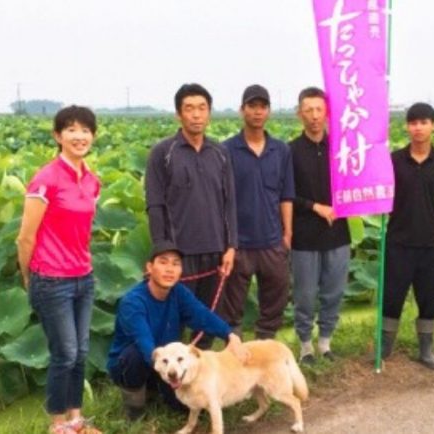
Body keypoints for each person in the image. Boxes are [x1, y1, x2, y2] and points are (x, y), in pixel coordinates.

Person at [16, 105, 103, 434]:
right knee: (64, 352)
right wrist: (30, 278)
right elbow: (25, 238)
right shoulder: (45, 179)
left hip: (84, 276)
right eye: (71, 130)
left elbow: (83, 231)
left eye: (85, 130)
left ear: (92, 136)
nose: (79, 136)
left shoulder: (92, 181)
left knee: (80, 352)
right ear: (58, 136)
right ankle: (57, 425)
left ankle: (76, 419)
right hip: (51, 279)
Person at [107, 241, 248, 420]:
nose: (170, 269)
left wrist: (229, 334)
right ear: (149, 267)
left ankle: (156, 390)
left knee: (192, 407)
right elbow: (144, 343)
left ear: (181, 271)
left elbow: (201, 315)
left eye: (176, 264)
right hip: (137, 361)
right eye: (163, 262)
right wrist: (166, 370)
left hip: (170, 363)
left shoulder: (178, 292)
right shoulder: (132, 302)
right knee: (134, 355)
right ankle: (135, 410)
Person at [144, 83, 238, 349]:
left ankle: (200, 385)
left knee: (207, 321)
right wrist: (162, 254)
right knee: (172, 324)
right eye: (189, 109)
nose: (196, 115)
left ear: (209, 113)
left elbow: (229, 203)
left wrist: (231, 247)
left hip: (216, 252)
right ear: (178, 114)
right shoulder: (163, 153)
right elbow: (155, 205)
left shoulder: (220, 153)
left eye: (202, 108)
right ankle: (166, 387)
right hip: (178, 255)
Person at [380, 103, 434, 369]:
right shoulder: (394, 160)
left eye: (424, 122)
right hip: (398, 241)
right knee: (391, 295)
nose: (418, 128)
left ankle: (426, 349)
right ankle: (385, 346)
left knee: (430, 296)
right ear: (407, 126)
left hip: (430, 242)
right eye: (413, 123)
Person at [219, 84, 295, 339]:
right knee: (232, 307)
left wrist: (288, 234)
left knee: (275, 298)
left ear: (269, 112)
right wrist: (227, 241)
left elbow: (286, 194)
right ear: (242, 110)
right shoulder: (226, 150)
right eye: (252, 106)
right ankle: (235, 354)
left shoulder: (281, 150)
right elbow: (221, 198)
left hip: (272, 240)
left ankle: (265, 348)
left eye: (262, 107)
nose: (257, 112)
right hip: (238, 242)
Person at [288, 87, 351, 364]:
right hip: (304, 235)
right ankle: (305, 345)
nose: (314, 116)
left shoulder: (342, 148)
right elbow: (286, 193)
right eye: (309, 110)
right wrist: (315, 207)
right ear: (299, 113)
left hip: (337, 233)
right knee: (304, 294)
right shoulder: (289, 151)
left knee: (334, 291)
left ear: (327, 113)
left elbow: (355, 182)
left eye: (319, 110)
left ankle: (325, 342)